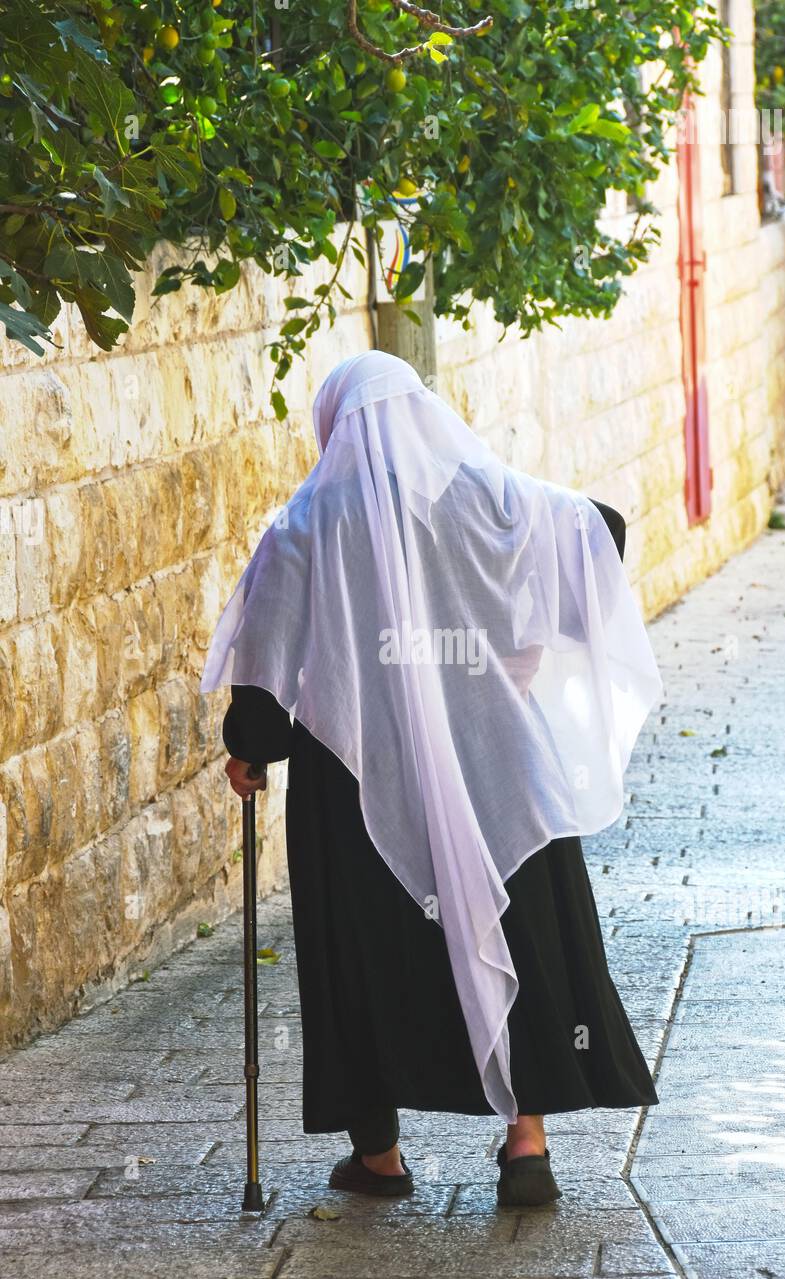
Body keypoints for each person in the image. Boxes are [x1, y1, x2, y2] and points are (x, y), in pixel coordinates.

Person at [202, 350, 664, 1208]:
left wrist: (250, 748)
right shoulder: (490, 496)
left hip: (358, 786)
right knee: (514, 931)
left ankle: (379, 1159)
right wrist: (517, 648)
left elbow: (268, 661)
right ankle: (526, 1143)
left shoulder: (306, 524)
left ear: (336, 426)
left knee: (364, 955)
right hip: (497, 762)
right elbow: (598, 527)